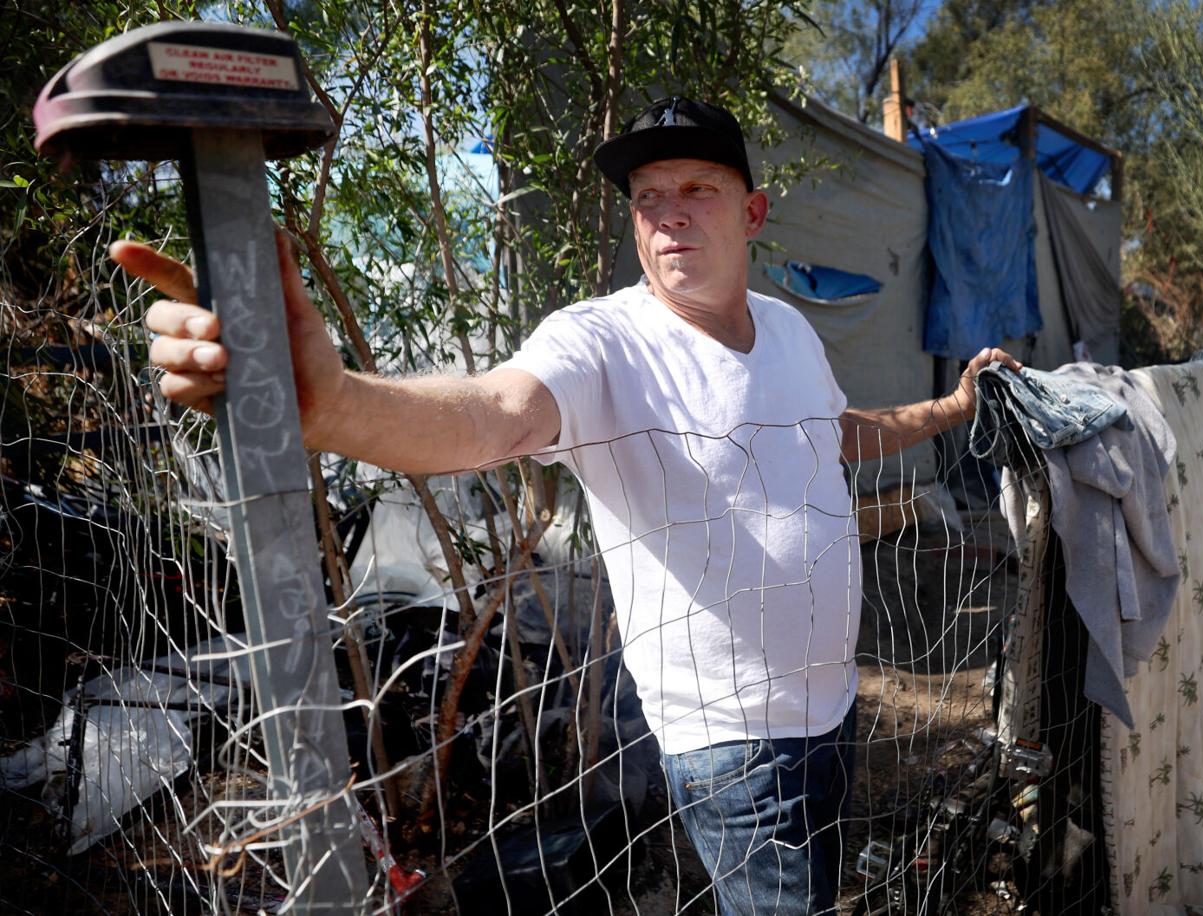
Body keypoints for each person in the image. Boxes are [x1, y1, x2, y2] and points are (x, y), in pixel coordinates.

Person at [114, 96, 1016, 915]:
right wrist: (337, 405)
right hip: (736, 746)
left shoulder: (786, 329)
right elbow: (497, 413)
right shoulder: (604, 341)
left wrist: (952, 408)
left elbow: (832, 431)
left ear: (752, 214)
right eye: (647, 196)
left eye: (696, 188)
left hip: (832, 705)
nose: (667, 213)